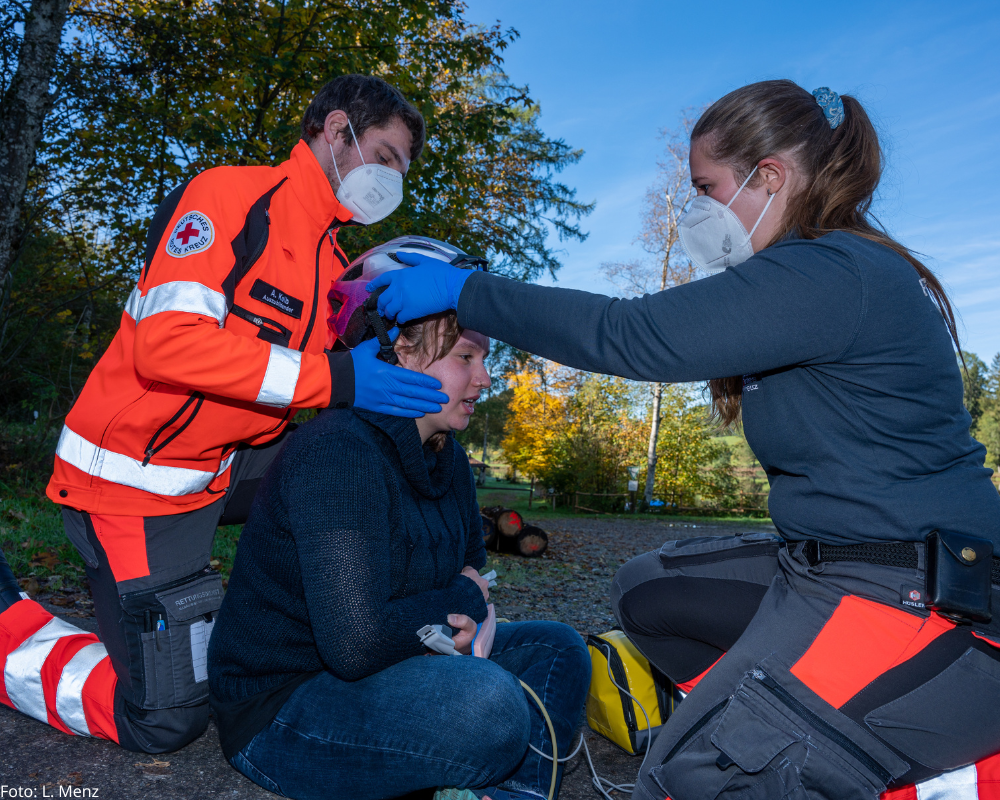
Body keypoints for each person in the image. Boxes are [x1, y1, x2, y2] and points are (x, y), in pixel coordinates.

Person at [364, 80, 1000, 800]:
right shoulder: (800, 277)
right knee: (649, 593)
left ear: (769, 177)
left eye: (705, 188)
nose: (696, 210)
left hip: (915, 592)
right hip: (826, 566)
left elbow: (630, 334)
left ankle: (858, 755)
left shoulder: (833, 269)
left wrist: (469, 292)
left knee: (687, 780)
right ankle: (782, 725)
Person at [0, 74, 450, 753]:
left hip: (219, 470)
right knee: (166, 719)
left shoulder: (331, 258)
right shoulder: (231, 199)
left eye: (402, 170)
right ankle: (8, 632)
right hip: (131, 484)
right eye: (385, 157)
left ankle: (315, 631)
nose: (392, 180)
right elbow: (166, 347)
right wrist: (338, 376)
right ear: (337, 131)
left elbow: (315, 385)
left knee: (354, 452)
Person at [207, 249, 590, 800]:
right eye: (465, 356)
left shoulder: (448, 458)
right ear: (400, 351)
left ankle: (509, 794)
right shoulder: (337, 451)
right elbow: (357, 643)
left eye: (485, 359)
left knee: (560, 649)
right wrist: (463, 602)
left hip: (398, 660)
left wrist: (470, 619)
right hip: (285, 703)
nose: (484, 379)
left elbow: (472, 578)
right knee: (489, 705)